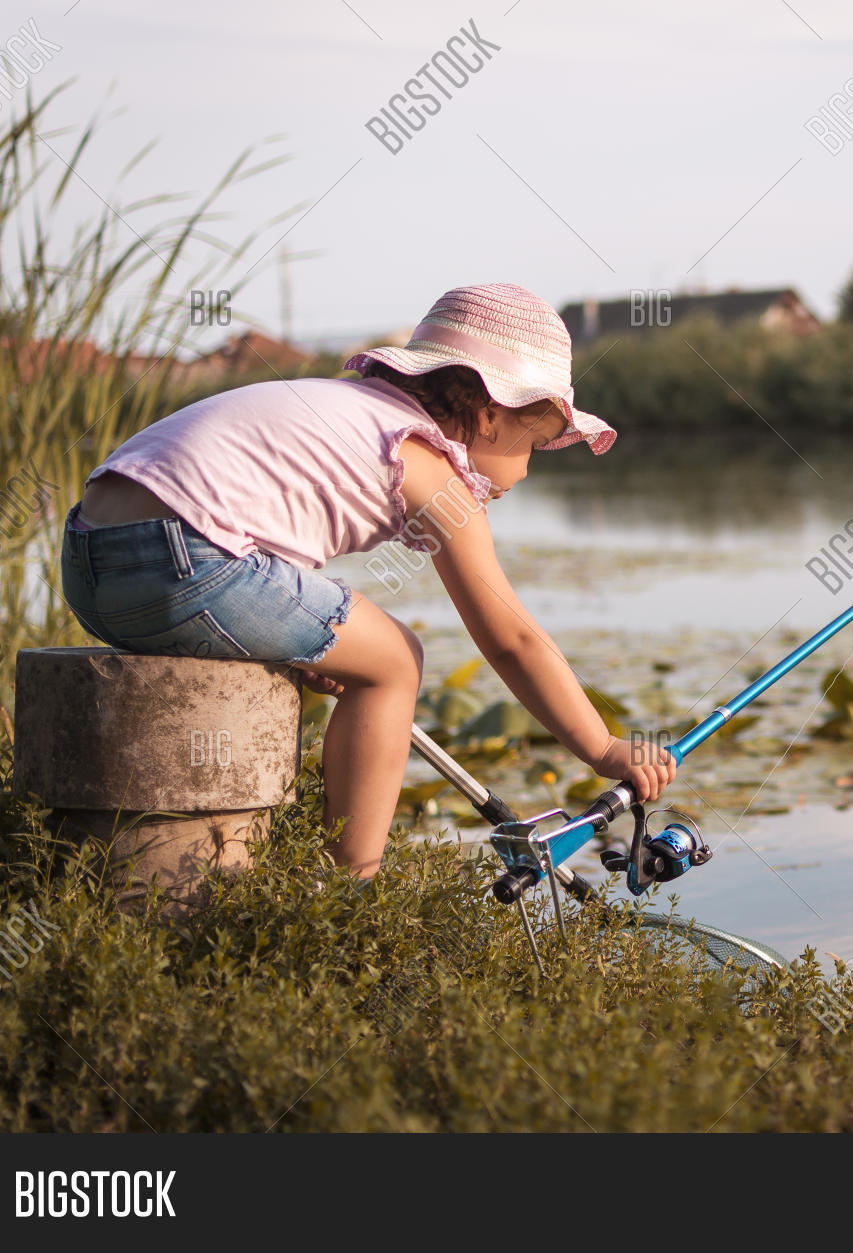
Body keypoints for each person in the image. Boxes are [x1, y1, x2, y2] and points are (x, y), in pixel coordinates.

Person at [60, 283, 676, 877]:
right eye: (534, 445)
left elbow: (257, 521)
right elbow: (511, 639)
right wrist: (602, 748)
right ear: (489, 414)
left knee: (362, 650)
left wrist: (304, 644)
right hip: (185, 564)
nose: (528, 469)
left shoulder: (343, 407)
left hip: (88, 563)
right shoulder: (429, 467)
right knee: (396, 661)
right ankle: (350, 881)